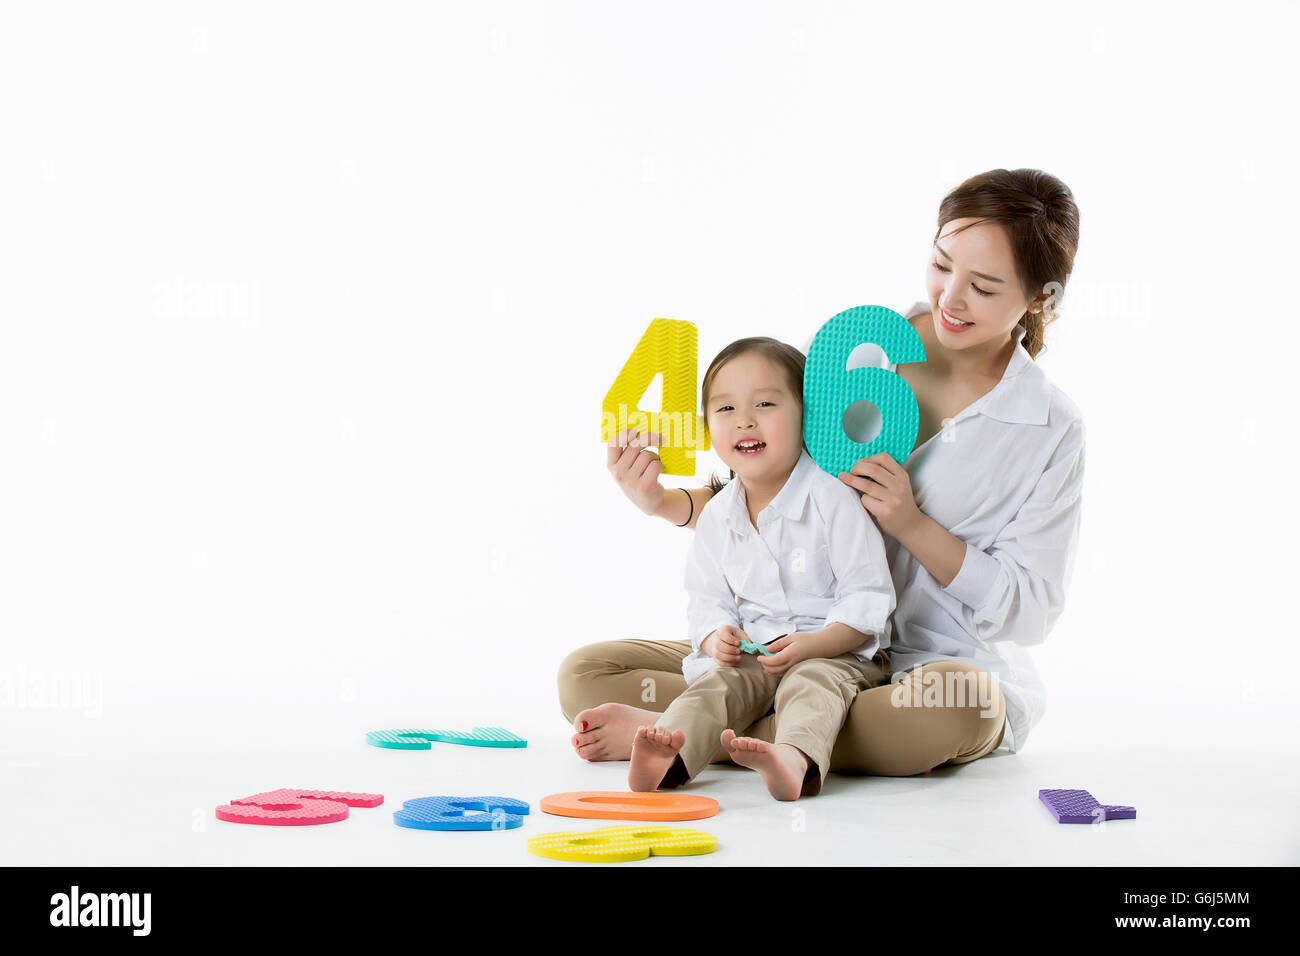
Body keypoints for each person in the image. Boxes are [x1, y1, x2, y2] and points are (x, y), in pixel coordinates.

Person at [560, 167, 1085, 778]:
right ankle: (771, 732)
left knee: (967, 706)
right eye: (942, 265)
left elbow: (1031, 611)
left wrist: (912, 525)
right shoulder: (861, 349)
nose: (949, 297)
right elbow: (767, 491)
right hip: (784, 639)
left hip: (915, 666)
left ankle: (692, 729)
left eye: (984, 287)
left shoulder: (1050, 426)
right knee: (584, 677)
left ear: (1041, 298)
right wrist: (661, 502)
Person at [627, 336, 894, 800]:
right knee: (719, 684)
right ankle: (670, 752)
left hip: (838, 652)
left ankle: (793, 756)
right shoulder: (718, 515)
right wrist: (717, 636)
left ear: (805, 415)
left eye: (765, 403)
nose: (745, 420)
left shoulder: (832, 497)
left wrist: (816, 643)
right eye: (725, 409)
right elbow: (708, 598)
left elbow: (866, 594)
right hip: (757, 655)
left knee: (812, 681)